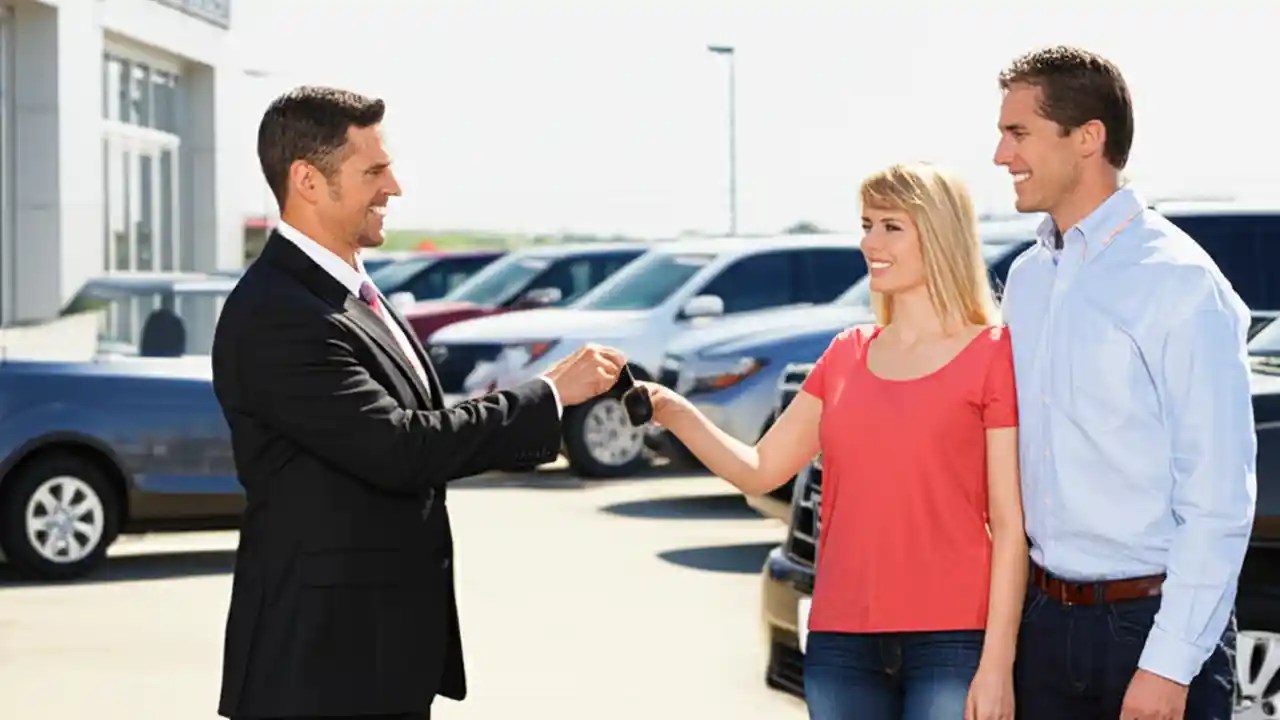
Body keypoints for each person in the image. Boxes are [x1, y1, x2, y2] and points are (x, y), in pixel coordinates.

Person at [211, 86, 626, 720]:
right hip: (319, 672)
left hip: (378, 660)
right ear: (307, 181)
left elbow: (421, 431)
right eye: (373, 171)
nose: (395, 187)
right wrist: (546, 395)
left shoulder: (349, 290)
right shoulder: (279, 313)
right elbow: (400, 447)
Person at [642, 162, 1026, 720]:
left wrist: (997, 665)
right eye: (866, 225)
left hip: (953, 639)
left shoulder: (993, 354)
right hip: (841, 641)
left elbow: (1011, 527)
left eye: (891, 226)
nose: (870, 242)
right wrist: (675, 411)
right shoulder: (846, 353)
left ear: (939, 234)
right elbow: (760, 469)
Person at [993, 46, 1257, 720]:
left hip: (1151, 628)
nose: (1001, 155)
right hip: (1042, 628)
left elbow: (1218, 497)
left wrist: (1169, 664)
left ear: (1087, 138)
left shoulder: (1179, 282)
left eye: (1018, 133)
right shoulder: (1026, 280)